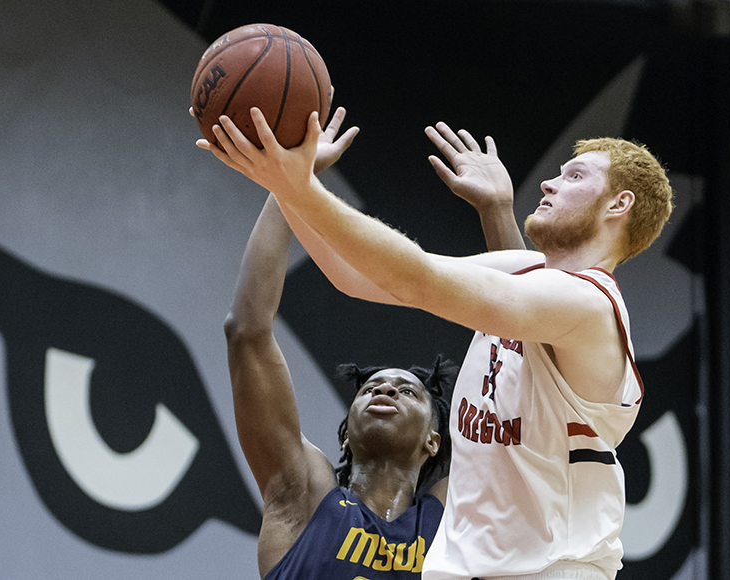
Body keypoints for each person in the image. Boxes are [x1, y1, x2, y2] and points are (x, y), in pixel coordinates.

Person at [201, 107, 674, 580]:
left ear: (619, 204)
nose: (550, 184)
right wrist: (287, 188)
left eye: (573, 176)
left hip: (551, 570)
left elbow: (417, 279)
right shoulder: (523, 273)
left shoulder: (589, 305)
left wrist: (298, 187)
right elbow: (359, 276)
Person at [222, 107, 523, 579]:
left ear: (434, 440)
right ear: (345, 433)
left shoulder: (451, 518)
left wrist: (497, 210)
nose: (384, 391)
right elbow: (247, 332)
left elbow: (522, 344)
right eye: (371, 389)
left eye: (408, 391)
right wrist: (289, 185)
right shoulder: (302, 494)